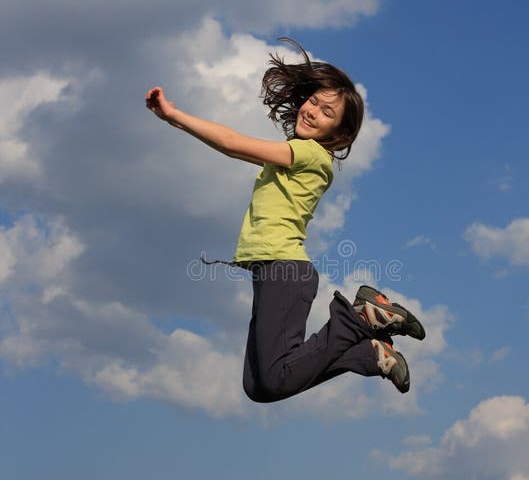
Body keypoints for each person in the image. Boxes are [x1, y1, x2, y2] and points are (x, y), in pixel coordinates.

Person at [145, 39, 425, 404]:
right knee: (259, 386)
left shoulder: (308, 154)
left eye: (327, 113)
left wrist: (174, 116)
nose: (312, 112)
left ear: (336, 134)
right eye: (313, 102)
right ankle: (368, 354)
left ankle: (359, 319)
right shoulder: (295, 158)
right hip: (272, 272)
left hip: (285, 270)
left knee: (275, 379)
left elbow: (232, 143)